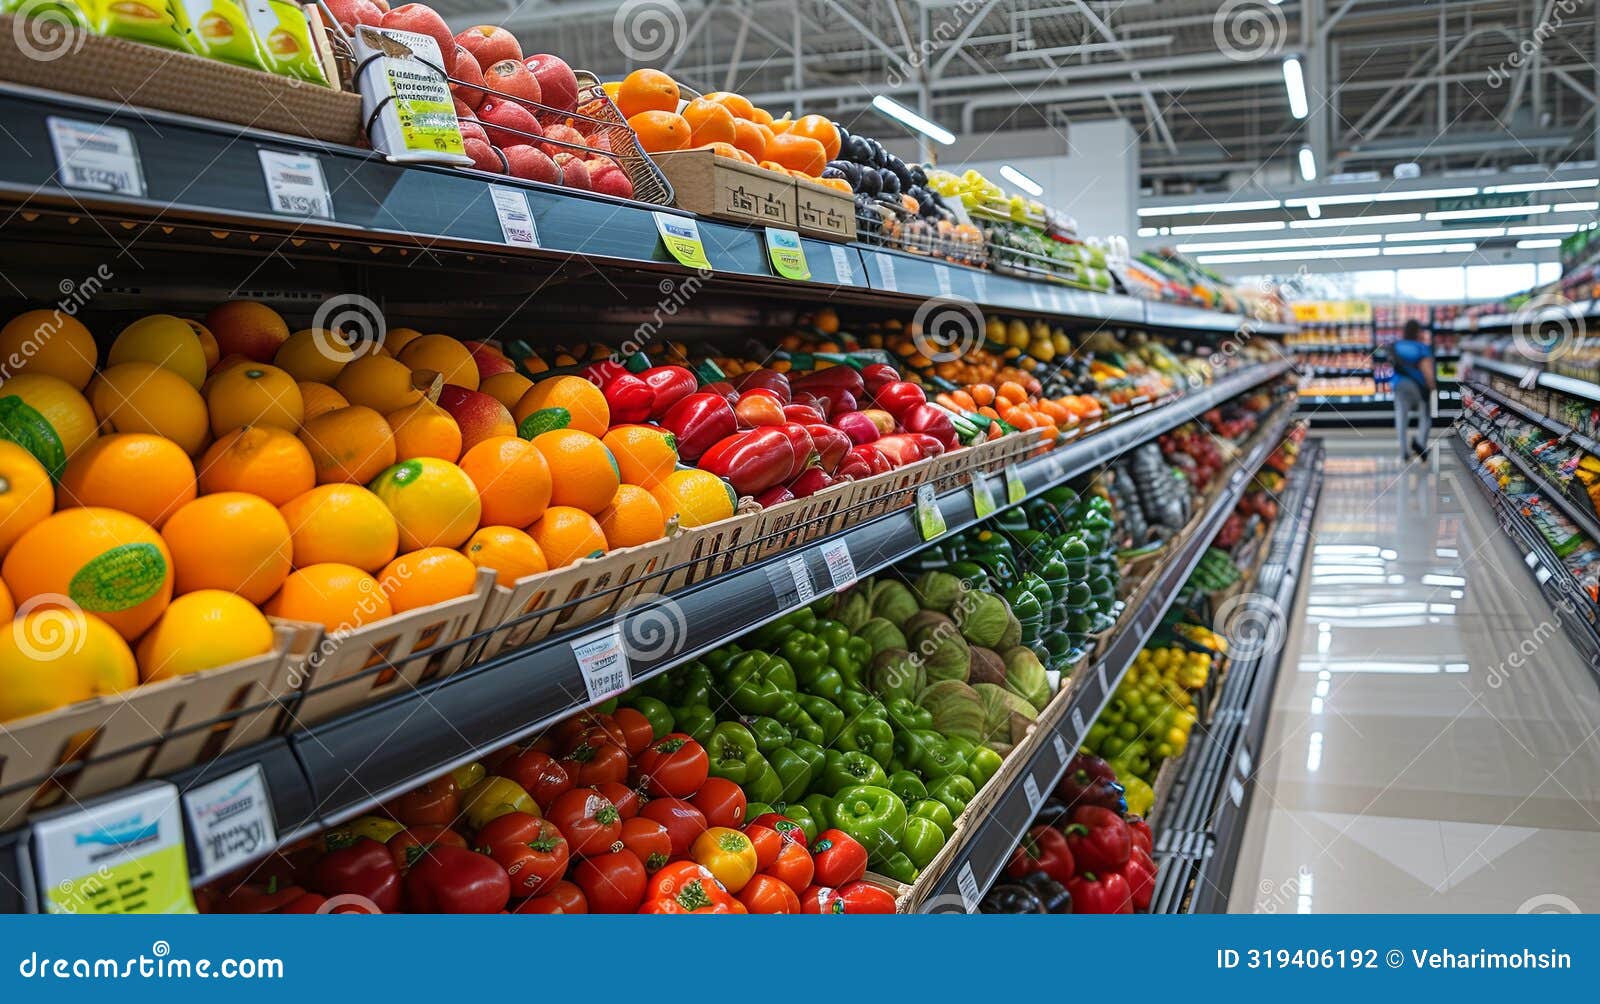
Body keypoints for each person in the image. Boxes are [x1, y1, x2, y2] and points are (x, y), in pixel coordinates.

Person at [1390, 318, 1434, 458]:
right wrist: (1431, 385)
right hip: (1418, 386)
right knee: (1425, 415)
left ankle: (1403, 451)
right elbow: (1427, 369)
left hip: (1399, 385)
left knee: (1401, 416)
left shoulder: (1396, 346)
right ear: (1417, 332)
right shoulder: (1421, 347)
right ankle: (1420, 444)